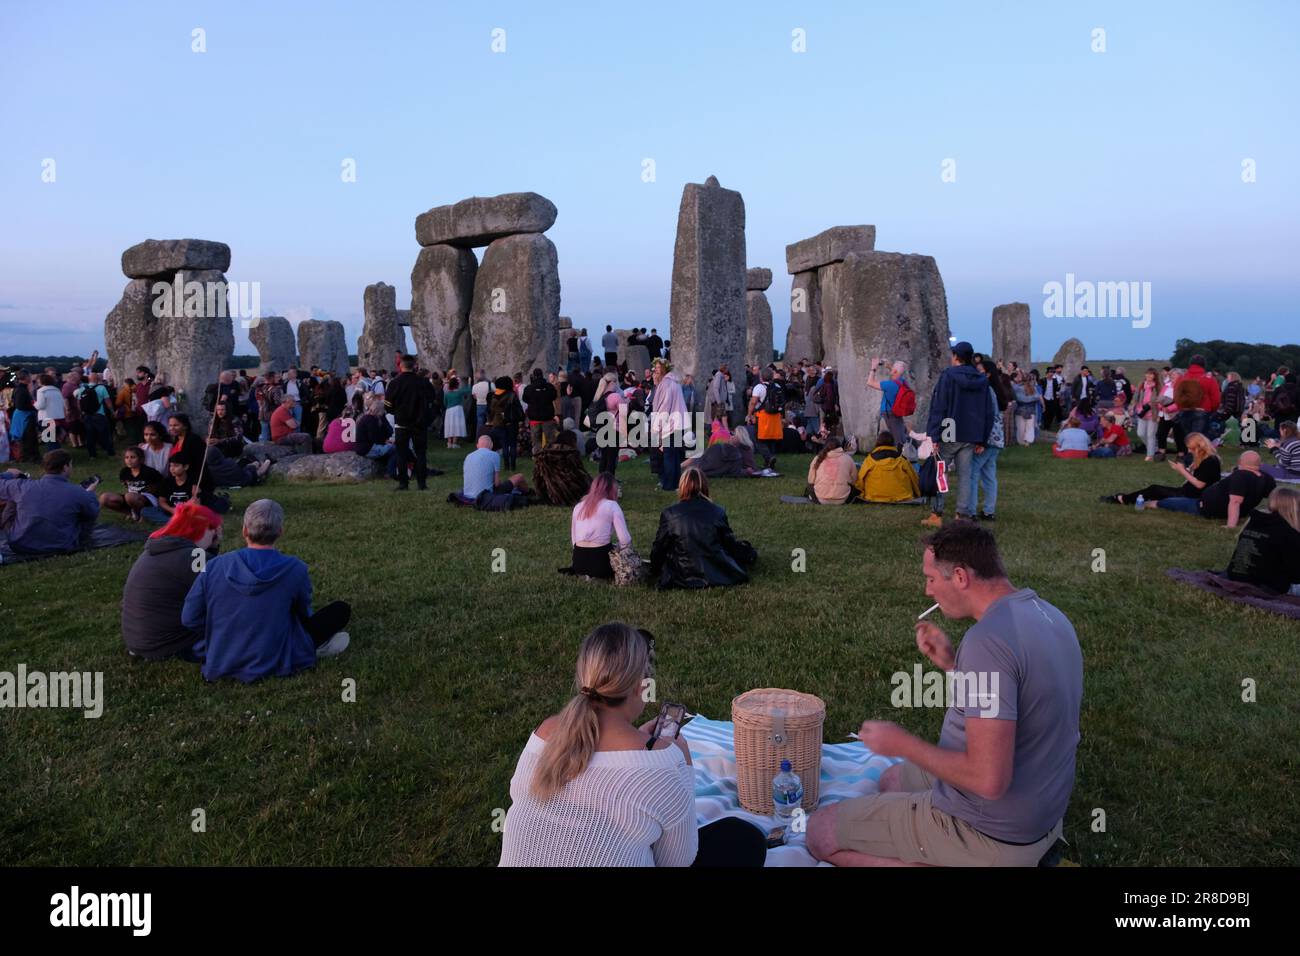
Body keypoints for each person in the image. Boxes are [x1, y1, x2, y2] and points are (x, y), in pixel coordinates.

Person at [806, 522, 1082, 867]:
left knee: (820, 831)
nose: (927, 591)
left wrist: (901, 743)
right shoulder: (1048, 615)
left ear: (961, 578)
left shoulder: (988, 642)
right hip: (1039, 813)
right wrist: (953, 666)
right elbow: (1016, 696)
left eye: (932, 579)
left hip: (993, 829)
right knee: (893, 779)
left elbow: (988, 780)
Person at [499, 622, 767, 866]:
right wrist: (682, 762)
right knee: (743, 838)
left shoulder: (544, 733)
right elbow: (678, 861)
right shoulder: (664, 762)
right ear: (640, 686)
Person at [180, 499, 350, 682]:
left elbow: (190, 618)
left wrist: (224, 632)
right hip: (275, 654)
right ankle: (315, 647)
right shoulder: (295, 569)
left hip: (223, 656)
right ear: (280, 532)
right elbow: (304, 614)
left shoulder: (214, 566)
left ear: (244, 530)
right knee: (340, 610)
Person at [120, 503, 224, 661]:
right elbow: (222, 592)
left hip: (140, 641)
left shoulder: (161, 548)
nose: (215, 534)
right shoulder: (192, 556)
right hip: (166, 645)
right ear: (202, 529)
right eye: (213, 529)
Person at [650, 468, 756, 589]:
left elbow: (659, 547)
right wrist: (747, 553)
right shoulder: (717, 511)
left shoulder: (670, 514)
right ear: (705, 486)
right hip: (716, 572)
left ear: (682, 487)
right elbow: (729, 545)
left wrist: (654, 569)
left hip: (681, 574)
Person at [923, 342, 992, 527]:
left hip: (949, 427)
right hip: (971, 430)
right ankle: (962, 514)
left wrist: (934, 435)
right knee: (965, 475)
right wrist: (983, 438)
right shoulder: (981, 379)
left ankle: (937, 513)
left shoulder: (948, 376)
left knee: (940, 473)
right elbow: (988, 411)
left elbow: (940, 406)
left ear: (955, 356)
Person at [0, 450, 100, 555]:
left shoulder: (22, 486)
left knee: (14, 496)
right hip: (62, 546)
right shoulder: (78, 492)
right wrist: (90, 495)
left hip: (20, 545)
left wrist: (9, 474)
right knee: (85, 511)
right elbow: (92, 514)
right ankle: (79, 539)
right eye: (71, 464)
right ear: (65, 467)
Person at [1148, 450, 1276, 528]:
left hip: (1206, 508)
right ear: (1259, 464)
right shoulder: (1267, 478)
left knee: (1169, 502)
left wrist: (1231, 525)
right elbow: (1274, 499)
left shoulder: (1240, 476)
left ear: (1240, 462)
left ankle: (1149, 504)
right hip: (1224, 507)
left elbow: (1236, 501)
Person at [1101, 432, 1221, 505]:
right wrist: (1185, 469)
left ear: (1199, 446)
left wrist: (1182, 471)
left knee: (1155, 489)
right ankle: (1127, 498)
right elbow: (1200, 477)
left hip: (1192, 495)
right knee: (1155, 491)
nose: (1189, 451)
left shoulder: (1210, 461)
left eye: (1191, 448)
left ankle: (1122, 499)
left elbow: (1200, 484)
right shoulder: (1205, 458)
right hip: (1187, 491)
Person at [1223, 487, 1300, 594]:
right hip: (1268, 587)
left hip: (1237, 577)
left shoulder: (1254, 522)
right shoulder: (1288, 532)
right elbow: (1296, 576)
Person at [559, 474, 631, 579]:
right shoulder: (612, 505)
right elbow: (625, 540)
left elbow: (574, 541)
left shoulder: (578, 506)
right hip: (602, 566)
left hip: (579, 564)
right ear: (612, 489)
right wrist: (620, 551)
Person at [385, 355, 436, 491]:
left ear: (401, 366)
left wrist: (398, 412)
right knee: (420, 454)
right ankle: (422, 484)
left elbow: (388, 406)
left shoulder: (395, 383)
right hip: (420, 424)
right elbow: (433, 401)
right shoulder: (424, 382)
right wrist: (426, 417)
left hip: (402, 423)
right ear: (414, 366)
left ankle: (403, 483)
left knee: (401, 454)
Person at [650, 358, 689, 491]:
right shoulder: (675, 382)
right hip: (679, 422)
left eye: (657, 369)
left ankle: (669, 485)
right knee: (675, 456)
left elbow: (664, 407)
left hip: (670, 424)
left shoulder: (666, 384)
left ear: (663, 369)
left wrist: (658, 428)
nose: (655, 371)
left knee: (669, 456)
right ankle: (677, 483)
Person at [99, 446, 166, 522]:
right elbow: (126, 486)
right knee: (104, 498)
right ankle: (131, 514)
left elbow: (163, 483)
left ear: (141, 459)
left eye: (133, 457)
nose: (129, 460)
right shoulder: (124, 472)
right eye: (126, 457)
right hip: (131, 497)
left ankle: (143, 515)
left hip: (148, 499)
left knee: (130, 497)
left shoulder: (149, 472)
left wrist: (155, 489)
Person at [967, 386, 1005, 520]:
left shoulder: (983, 390)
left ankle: (970, 510)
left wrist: (981, 441)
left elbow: (984, 417)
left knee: (972, 474)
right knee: (989, 475)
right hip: (997, 439)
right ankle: (989, 510)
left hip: (986, 440)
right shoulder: (992, 390)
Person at [854, 431, 921, 503]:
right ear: (893, 443)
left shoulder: (869, 460)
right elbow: (914, 478)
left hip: (873, 496)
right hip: (902, 496)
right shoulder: (902, 460)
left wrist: (860, 494)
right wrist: (918, 494)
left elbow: (860, 479)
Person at [533, 430, 591, 506]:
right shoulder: (570, 453)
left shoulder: (543, 454)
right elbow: (578, 473)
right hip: (567, 492)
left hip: (546, 492)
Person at [746, 368, 784, 475]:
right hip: (775, 416)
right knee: (771, 438)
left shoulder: (759, 387)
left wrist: (749, 415)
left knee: (758, 438)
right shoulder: (777, 386)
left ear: (761, 377)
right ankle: (769, 462)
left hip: (763, 415)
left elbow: (753, 402)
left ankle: (769, 457)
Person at [866, 358, 911, 446]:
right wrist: (890, 367)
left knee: (898, 440)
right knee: (900, 435)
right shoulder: (902, 382)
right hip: (898, 412)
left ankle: (899, 456)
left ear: (894, 371)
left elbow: (870, 382)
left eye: (893, 368)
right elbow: (897, 374)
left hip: (889, 414)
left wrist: (873, 368)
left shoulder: (889, 384)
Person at [806, 436, 858, 504]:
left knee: (809, 487)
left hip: (820, 498)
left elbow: (810, 481)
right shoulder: (848, 459)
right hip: (842, 498)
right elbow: (854, 480)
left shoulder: (817, 458)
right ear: (839, 447)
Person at [355, 394, 397, 478]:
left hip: (364, 447)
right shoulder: (371, 420)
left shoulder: (366, 418)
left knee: (390, 448)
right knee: (395, 449)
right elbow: (374, 438)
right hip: (368, 448)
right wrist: (385, 441)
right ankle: (390, 472)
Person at [486, 376, 523, 470]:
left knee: (504, 444)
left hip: (498, 423)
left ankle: (506, 466)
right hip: (511, 422)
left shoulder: (494, 396)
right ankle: (513, 466)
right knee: (513, 444)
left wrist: (490, 420)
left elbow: (491, 411)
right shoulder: (512, 395)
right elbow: (518, 408)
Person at [523, 368, 560, 452]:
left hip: (534, 418)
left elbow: (525, 399)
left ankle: (538, 458)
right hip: (548, 418)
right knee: (550, 440)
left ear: (534, 376)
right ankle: (550, 457)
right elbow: (554, 396)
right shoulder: (549, 387)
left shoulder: (529, 388)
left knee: (536, 442)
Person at [1130, 369, 1161, 461]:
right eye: (1147, 374)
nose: (1149, 376)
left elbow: (1161, 400)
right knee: (1141, 433)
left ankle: (1150, 455)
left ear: (1155, 376)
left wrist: (1155, 406)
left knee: (1150, 435)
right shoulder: (1141, 385)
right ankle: (1154, 449)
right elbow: (1135, 397)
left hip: (1153, 413)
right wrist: (1132, 407)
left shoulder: (1158, 386)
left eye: (1151, 374)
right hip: (1142, 412)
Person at [34, 374, 66, 452]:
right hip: (58, 417)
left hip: (46, 417)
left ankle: (55, 456)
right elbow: (62, 403)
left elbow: (40, 405)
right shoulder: (57, 390)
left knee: (49, 439)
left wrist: (34, 403)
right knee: (54, 438)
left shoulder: (41, 391)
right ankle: (59, 453)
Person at [442, 375, 470, 449]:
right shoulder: (459, 392)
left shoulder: (447, 393)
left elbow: (444, 403)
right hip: (457, 409)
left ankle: (449, 443)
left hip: (449, 410)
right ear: (457, 384)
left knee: (449, 425)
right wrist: (469, 382)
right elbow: (469, 390)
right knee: (456, 425)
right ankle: (454, 443)